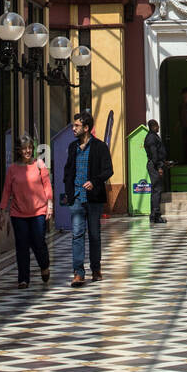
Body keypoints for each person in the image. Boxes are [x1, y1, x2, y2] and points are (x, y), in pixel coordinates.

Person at [63, 111, 113, 287]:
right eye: (73, 125)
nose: (73, 129)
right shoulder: (72, 147)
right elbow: (68, 170)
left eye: (76, 126)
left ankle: (96, 268)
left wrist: (95, 182)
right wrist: (68, 190)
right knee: (77, 234)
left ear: (86, 128)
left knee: (94, 235)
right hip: (76, 197)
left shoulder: (100, 147)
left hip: (93, 198)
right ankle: (78, 272)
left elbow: (108, 170)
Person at [0, 134, 53, 289]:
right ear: (19, 150)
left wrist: (50, 205)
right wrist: (2, 211)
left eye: (30, 148)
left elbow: (47, 185)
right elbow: (7, 191)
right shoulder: (12, 169)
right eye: (24, 148)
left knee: (39, 243)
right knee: (22, 246)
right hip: (18, 213)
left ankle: (44, 266)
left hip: (38, 211)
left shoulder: (39, 164)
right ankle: (23, 279)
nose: (28, 151)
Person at [144, 119, 168, 224]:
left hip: (155, 165)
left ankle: (154, 215)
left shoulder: (153, 137)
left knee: (155, 190)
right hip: (154, 166)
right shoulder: (151, 138)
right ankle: (156, 215)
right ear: (153, 126)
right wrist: (159, 167)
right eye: (157, 126)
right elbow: (154, 156)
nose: (158, 127)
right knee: (157, 190)